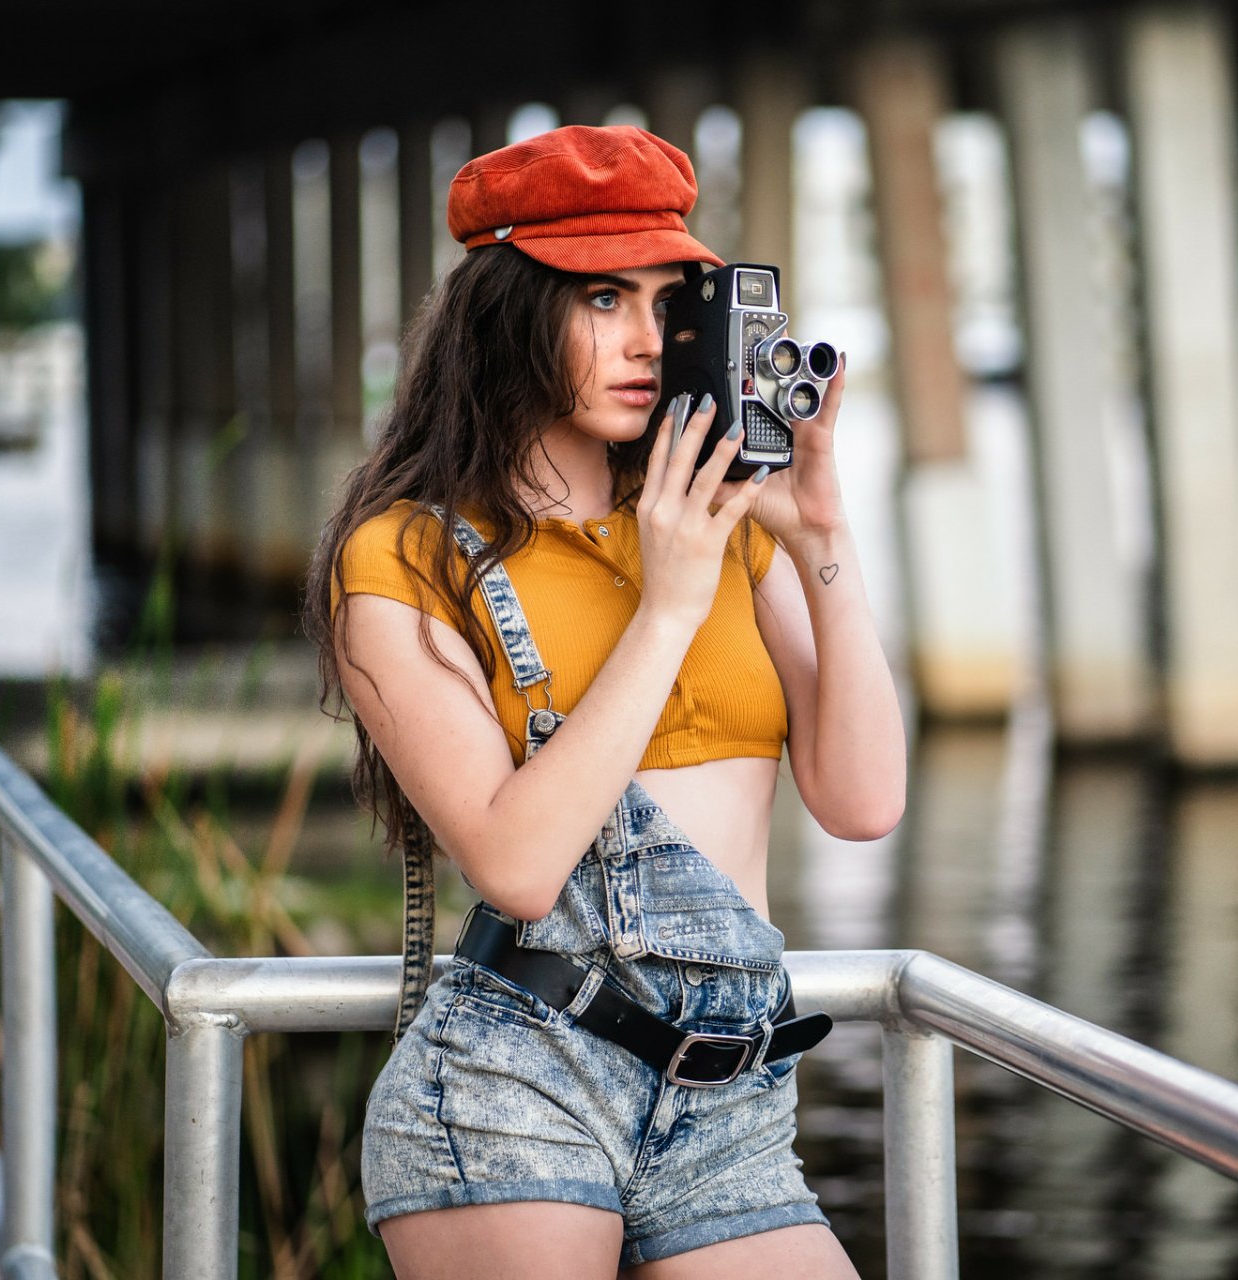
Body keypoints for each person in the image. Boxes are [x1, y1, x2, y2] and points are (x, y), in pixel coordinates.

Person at [301, 123, 906, 1279]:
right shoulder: (405, 557)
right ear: (510, 315)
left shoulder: (719, 520)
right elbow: (517, 864)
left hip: (728, 1099)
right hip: (514, 1083)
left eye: (669, 299)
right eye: (601, 300)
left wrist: (823, 537)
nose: (647, 340)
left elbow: (865, 796)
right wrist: (667, 603)